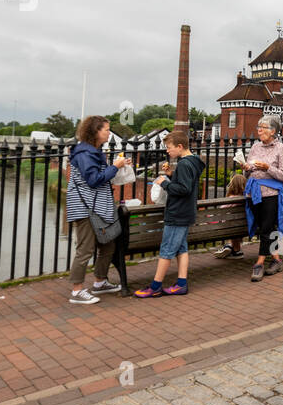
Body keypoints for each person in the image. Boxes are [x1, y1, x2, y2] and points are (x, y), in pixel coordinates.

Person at [66, 115, 131, 304]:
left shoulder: (93, 151)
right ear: (95, 131)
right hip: (85, 207)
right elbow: (93, 180)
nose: (109, 132)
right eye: (106, 129)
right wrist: (114, 167)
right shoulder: (85, 153)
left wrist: (117, 167)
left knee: (107, 244)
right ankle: (77, 291)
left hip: (96, 206)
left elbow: (100, 176)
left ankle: (100, 282)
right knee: (85, 249)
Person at [134, 130, 206, 297]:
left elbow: (183, 189)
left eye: (169, 147)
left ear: (180, 146)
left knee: (166, 250)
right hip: (186, 211)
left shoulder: (184, 164)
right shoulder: (193, 162)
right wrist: (171, 175)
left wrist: (164, 183)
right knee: (181, 248)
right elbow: (186, 181)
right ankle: (181, 283)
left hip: (177, 213)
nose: (167, 150)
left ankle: (155, 286)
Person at [242, 116, 283, 281]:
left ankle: (259, 264)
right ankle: (277, 260)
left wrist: (267, 167)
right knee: (266, 228)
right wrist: (246, 168)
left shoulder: (281, 149)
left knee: (266, 228)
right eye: (258, 127)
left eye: (263, 127)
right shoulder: (255, 147)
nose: (259, 130)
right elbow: (247, 173)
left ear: (273, 131)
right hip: (253, 193)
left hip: (271, 194)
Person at [213, 173, 248, 258]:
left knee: (230, 224)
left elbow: (220, 212)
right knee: (235, 225)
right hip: (244, 226)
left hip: (230, 227)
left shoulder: (231, 199)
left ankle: (232, 248)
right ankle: (233, 248)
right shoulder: (247, 199)